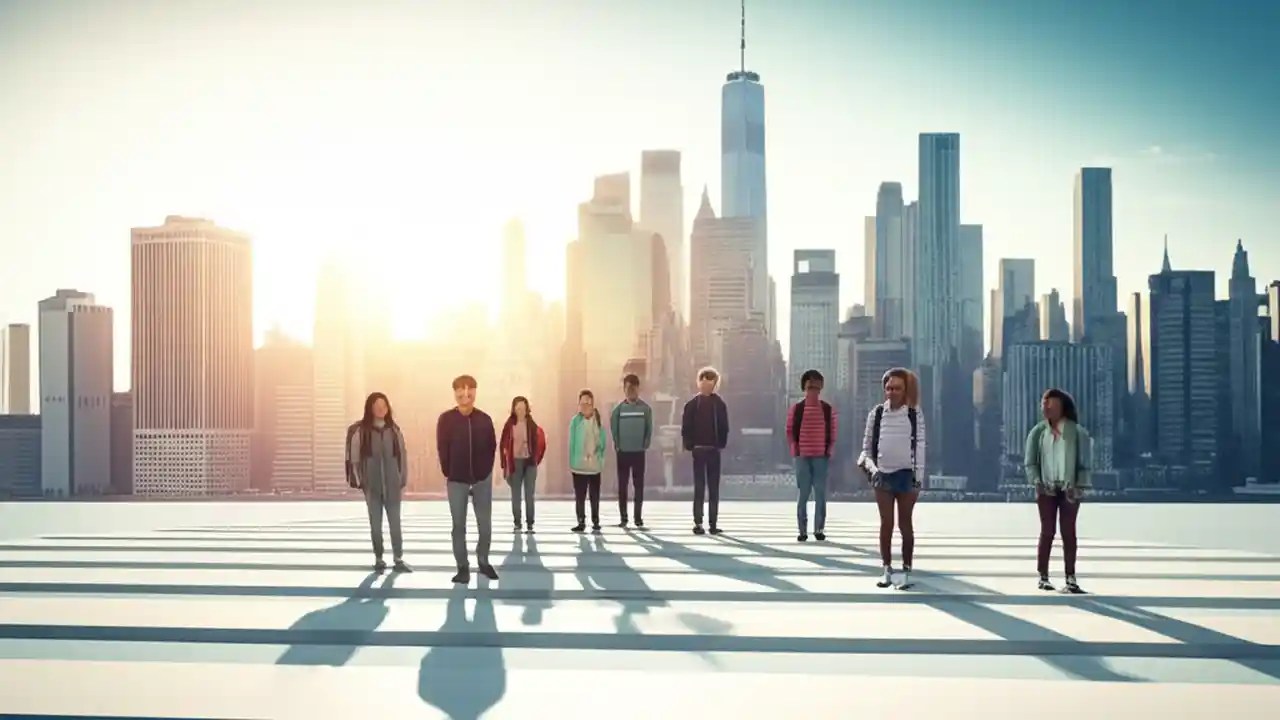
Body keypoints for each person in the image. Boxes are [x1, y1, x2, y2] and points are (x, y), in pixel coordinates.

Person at [857, 368, 926, 590]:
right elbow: (866, 447)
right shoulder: (876, 414)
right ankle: (886, 569)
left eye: (897, 388)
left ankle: (906, 570)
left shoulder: (915, 414)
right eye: (888, 388)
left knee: (905, 524)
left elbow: (921, 446)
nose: (892, 392)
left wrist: (919, 478)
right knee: (886, 523)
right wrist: (873, 469)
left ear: (905, 390)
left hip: (907, 476)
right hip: (882, 476)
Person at [1025, 388, 1092, 594]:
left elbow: (1085, 464)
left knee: (1068, 533)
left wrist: (1079, 486)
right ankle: (1043, 576)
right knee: (1047, 532)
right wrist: (1036, 481)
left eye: (1050, 404)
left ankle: (1070, 578)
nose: (1045, 408)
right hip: (1045, 488)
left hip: (1069, 488)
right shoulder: (1037, 432)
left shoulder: (1078, 432)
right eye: (1043, 404)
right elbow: (1030, 463)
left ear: (1062, 407)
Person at [436, 374, 499, 584]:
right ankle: (462, 566)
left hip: (482, 479)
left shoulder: (484, 419)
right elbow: (442, 448)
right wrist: (449, 471)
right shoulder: (446, 419)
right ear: (454, 393)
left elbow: (492, 446)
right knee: (458, 525)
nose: (465, 394)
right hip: (457, 480)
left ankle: (483, 561)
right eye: (460, 390)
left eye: (469, 389)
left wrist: (485, 471)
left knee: (485, 524)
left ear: (475, 392)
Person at [349, 392, 411, 573]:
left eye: (383, 405)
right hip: (372, 486)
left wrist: (402, 478)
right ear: (370, 408)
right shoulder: (362, 432)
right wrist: (362, 481)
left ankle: (398, 558)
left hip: (393, 485)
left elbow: (402, 456)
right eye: (376, 406)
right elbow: (355, 458)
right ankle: (379, 558)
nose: (380, 409)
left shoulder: (394, 431)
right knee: (375, 524)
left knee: (395, 523)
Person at [787, 369, 837, 542]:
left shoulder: (827, 409)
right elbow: (790, 431)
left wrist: (829, 450)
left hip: (821, 457)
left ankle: (819, 529)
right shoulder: (797, 409)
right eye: (810, 387)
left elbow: (833, 431)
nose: (813, 390)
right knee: (803, 494)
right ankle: (802, 530)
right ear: (804, 388)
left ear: (821, 387)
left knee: (821, 494)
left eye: (816, 387)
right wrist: (795, 450)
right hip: (802, 457)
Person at [681, 367, 730, 535]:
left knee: (714, 489)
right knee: (699, 488)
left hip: (713, 450)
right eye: (704, 380)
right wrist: (689, 445)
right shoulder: (692, 405)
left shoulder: (720, 404)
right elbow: (685, 427)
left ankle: (713, 523)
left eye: (711, 381)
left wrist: (721, 443)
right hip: (699, 450)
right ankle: (698, 522)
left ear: (715, 384)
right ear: (699, 382)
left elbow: (725, 427)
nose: (707, 385)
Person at [610, 374, 653, 529]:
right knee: (623, 486)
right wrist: (617, 444)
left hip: (638, 452)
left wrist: (645, 443)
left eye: (634, 388)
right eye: (628, 388)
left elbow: (649, 429)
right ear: (624, 389)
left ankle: (638, 517)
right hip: (623, 453)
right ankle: (623, 518)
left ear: (638, 389)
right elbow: (614, 429)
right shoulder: (618, 410)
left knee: (638, 485)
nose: (631, 391)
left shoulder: (645, 409)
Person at [500, 395, 547, 534]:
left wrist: (536, 459)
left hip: (530, 463)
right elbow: (503, 445)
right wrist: (505, 464)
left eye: (523, 408)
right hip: (515, 463)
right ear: (514, 409)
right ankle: (517, 523)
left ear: (527, 409)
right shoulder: (509, 425)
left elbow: (541, 444)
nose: (520, 411)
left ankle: (530, 523)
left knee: (529, 494)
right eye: (518, 408)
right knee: (516, 494)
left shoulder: (532, 425)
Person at [568, 389, 606, 532]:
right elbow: (571, 443)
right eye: (583, 403)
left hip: (594, 465)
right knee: (580, 496)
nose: (585, 406)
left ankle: (595, 520)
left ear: (592, 404)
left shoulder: (598, 421)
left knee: (594, 495)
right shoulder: (575, 422)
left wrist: (600, 459)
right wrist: (572, 462)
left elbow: (603, 442)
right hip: (578, 465)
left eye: (588, 403)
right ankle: (581, 521)